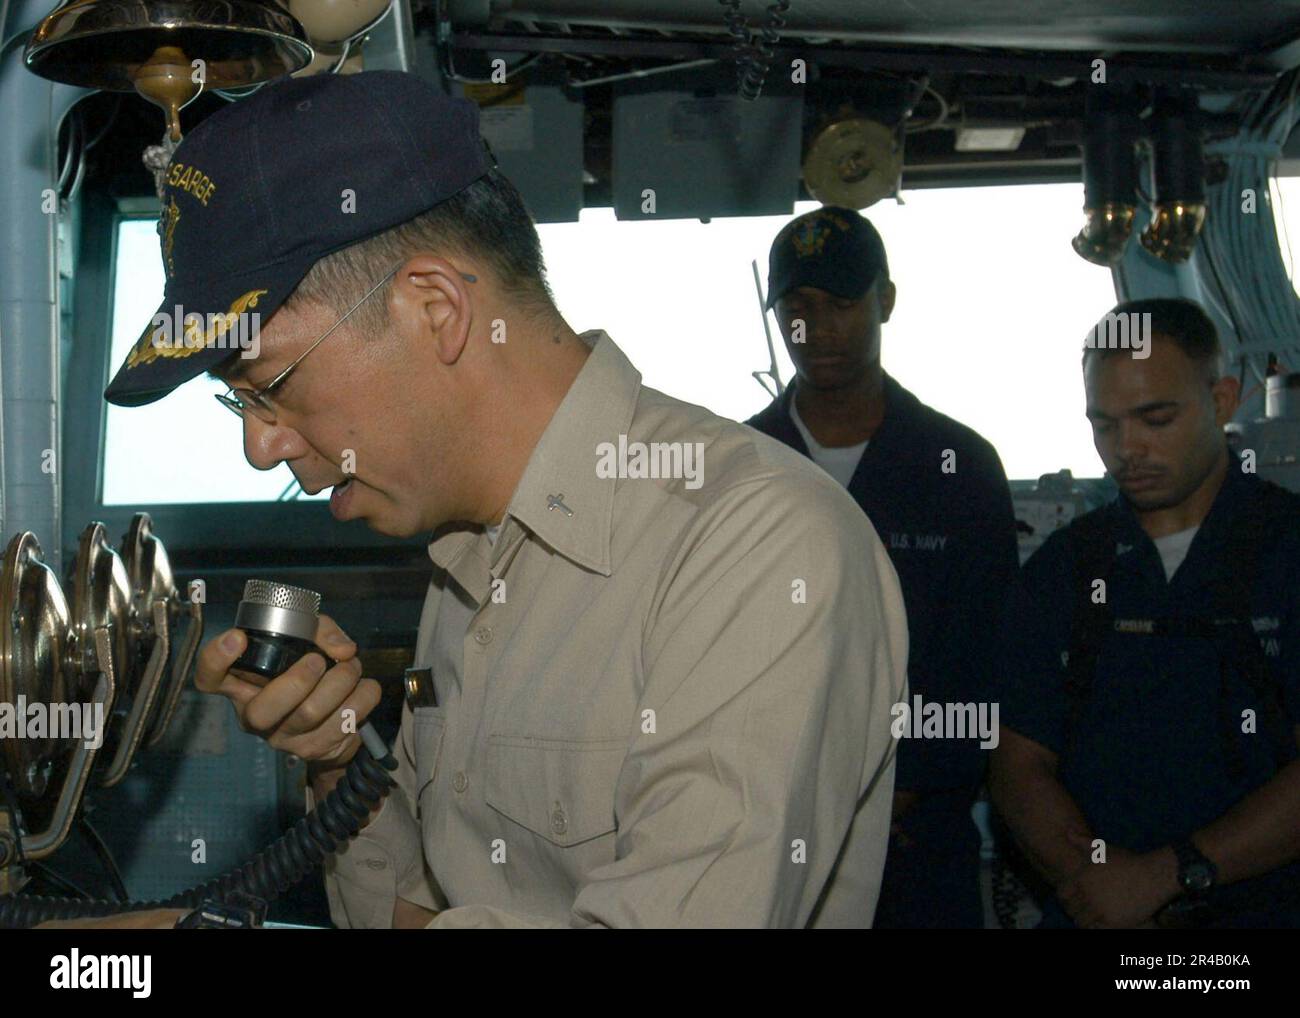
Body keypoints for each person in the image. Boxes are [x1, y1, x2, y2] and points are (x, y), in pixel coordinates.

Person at [93, 71, 909, 928]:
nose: (260, 448)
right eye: (240, 405)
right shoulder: (469, 560)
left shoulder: (759, 548)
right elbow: (420, 910)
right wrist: (335, 762)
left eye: (270, 386)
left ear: (436, 308)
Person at [746, 206, 1019, 927]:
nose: (817, 328)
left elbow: (981, 658)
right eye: (797, 307)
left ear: (885, 302)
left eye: (840, 303)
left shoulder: (959, 469)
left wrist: (895, 791)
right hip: (762, 831)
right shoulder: (736, 466)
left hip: (919, 835)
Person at [990, 297, 1300, 929]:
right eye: (1105, 424)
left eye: (1155, 418)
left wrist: (1167, 875)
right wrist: (1096, 885)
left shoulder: (1286, 552)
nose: (1127, 448)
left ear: (1222, 400)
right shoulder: (1066, 570)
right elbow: (1018, 762)